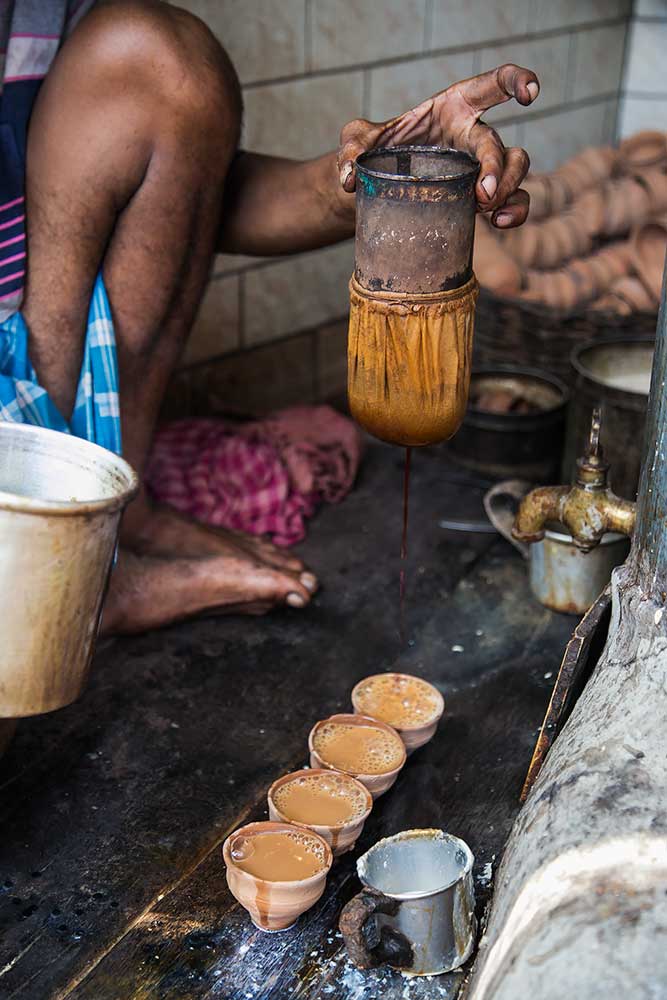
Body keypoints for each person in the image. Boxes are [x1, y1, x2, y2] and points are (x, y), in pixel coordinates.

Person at [0, 0, 538, 633]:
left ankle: (118, 517)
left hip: (35, 344)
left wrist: (384, 177)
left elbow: (183, 193)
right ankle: (65, 564)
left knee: (167, 62)